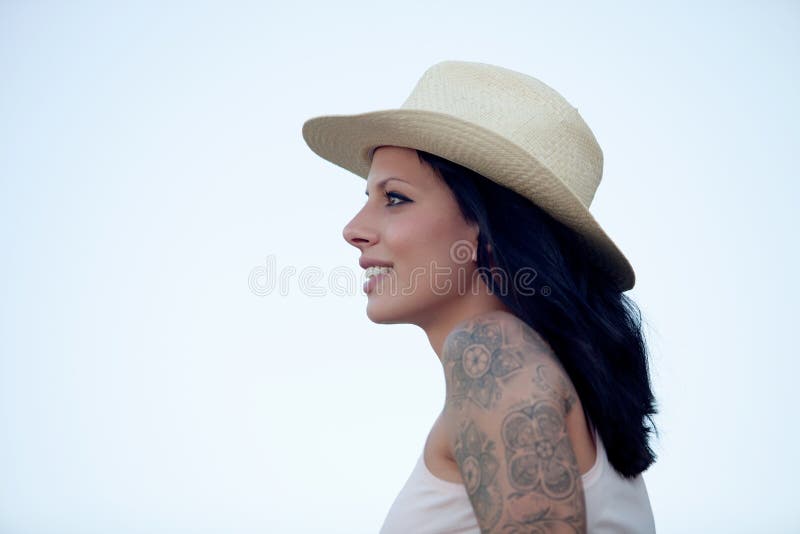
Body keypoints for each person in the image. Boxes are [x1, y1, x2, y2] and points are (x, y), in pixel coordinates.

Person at [302, 61, 657, 533]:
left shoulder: (492, 352)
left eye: (395, 198)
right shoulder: (538, 369)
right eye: (368, 197)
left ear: (487, 229)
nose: (353, 230)